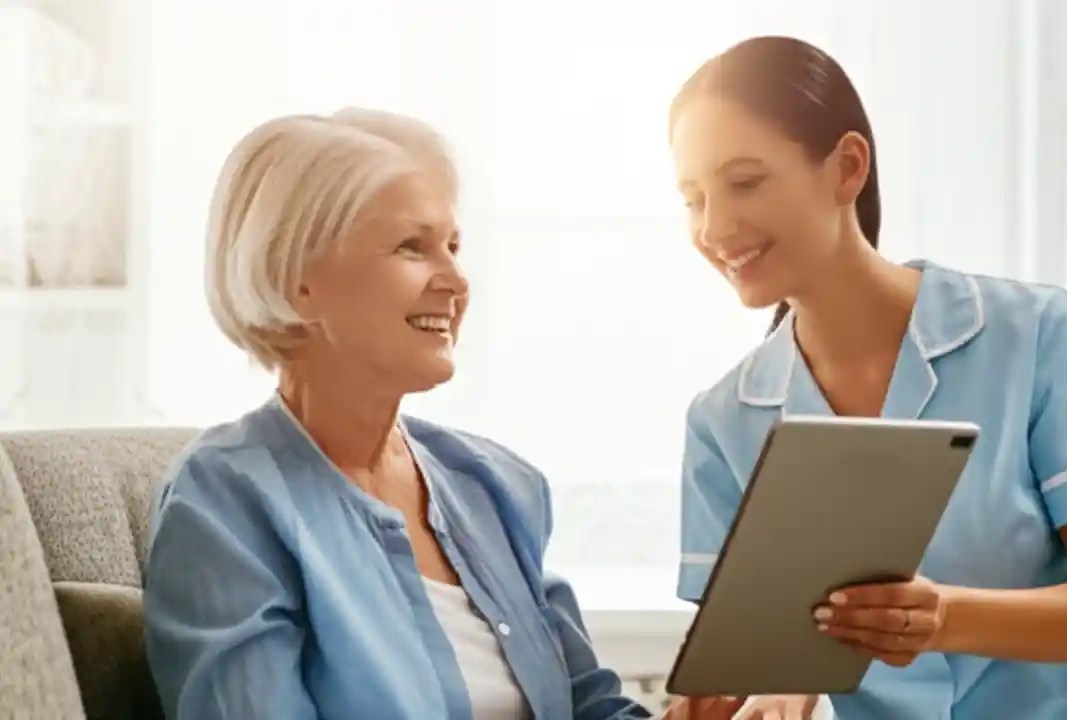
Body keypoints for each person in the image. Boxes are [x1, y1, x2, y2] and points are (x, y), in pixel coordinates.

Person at [143, 108, 742, 720]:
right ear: (299, 280)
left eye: (453, 245)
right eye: (412, 246)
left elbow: (585, 707)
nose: (456, 279)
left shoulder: (492, 484)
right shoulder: (225, 504)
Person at [668, 36, 1067, 720]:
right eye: (692, 198)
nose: (715, 226)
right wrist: (747, 694)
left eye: (744, 182)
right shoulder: (723, 423)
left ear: (847, 167)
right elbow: (758, 661)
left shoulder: (1036, 335)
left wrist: (945, 617)